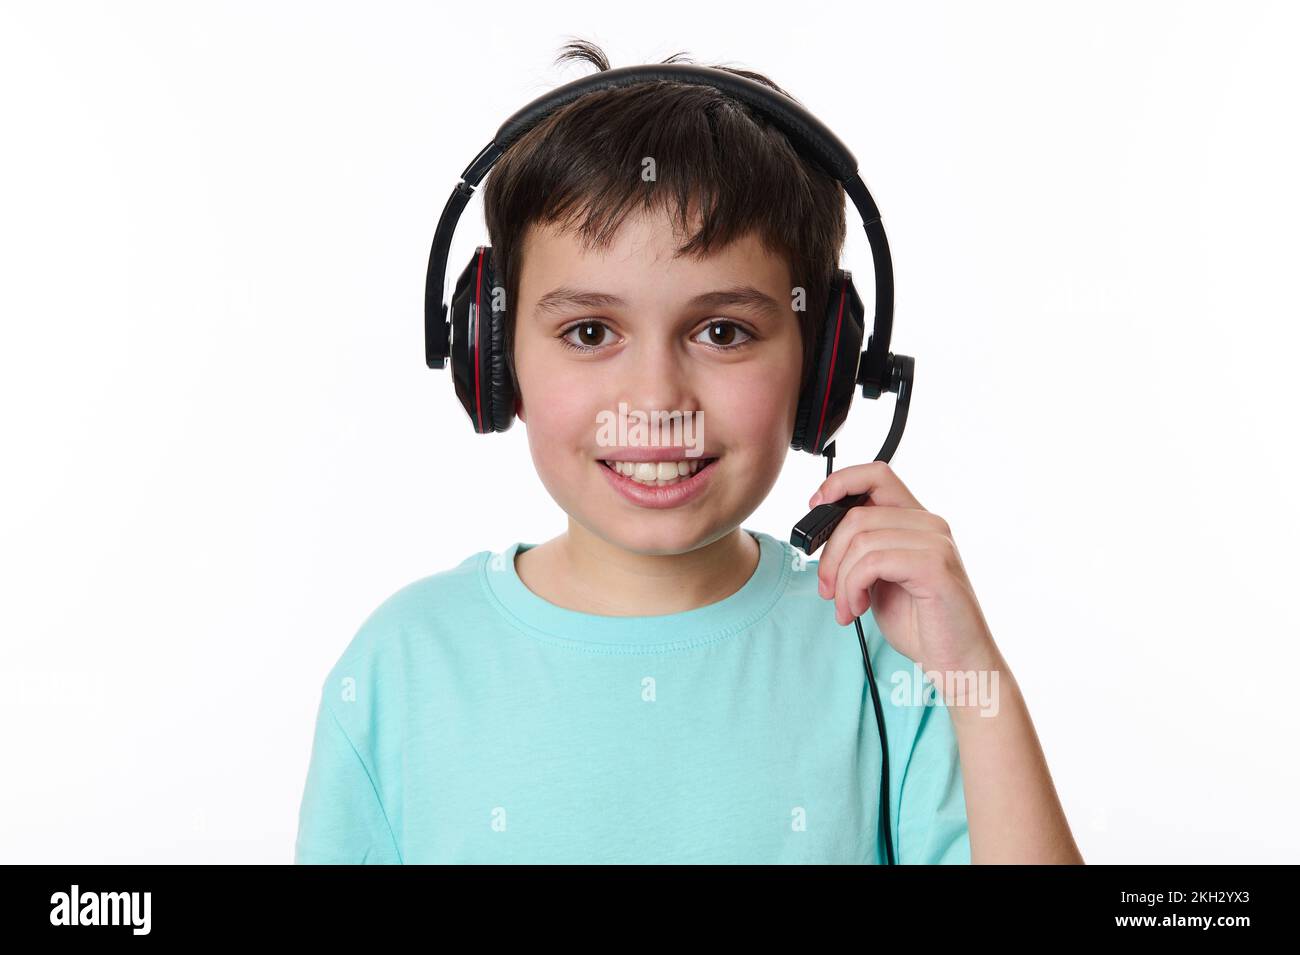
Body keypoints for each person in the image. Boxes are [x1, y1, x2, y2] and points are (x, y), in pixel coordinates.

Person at [293, 39, 1083, 864]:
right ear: (491, 354)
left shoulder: (891, 654)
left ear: (825, 365)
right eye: (590, 331)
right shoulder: (401, 668)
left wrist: (971, 676)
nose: (658, 401)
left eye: (723, 331)